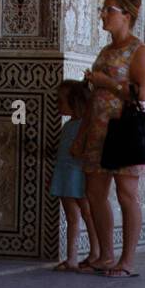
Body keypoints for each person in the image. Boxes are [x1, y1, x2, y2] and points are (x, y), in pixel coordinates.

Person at [70, 0, 145, 277]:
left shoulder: (139, 51)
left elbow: (141, 93)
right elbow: (94, 96)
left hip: (123, 131)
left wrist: (107, 83)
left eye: (109, 10)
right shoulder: (106, 51)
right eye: (103, 9)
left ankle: (127, 261)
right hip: (97, 130)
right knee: (94, 194)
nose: (103, 15)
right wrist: (82, 133)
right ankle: (105, 255)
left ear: (126, 16)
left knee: (126, 193)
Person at [49, 79, 102, 272]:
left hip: (78, 175)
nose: (58, 105)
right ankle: (72, 258)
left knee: (87, 214)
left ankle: (95, 253)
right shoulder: (69, 126)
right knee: (72, 216)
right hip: (65, 174)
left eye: (61, 101)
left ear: (75, 103)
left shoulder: (83, 125)